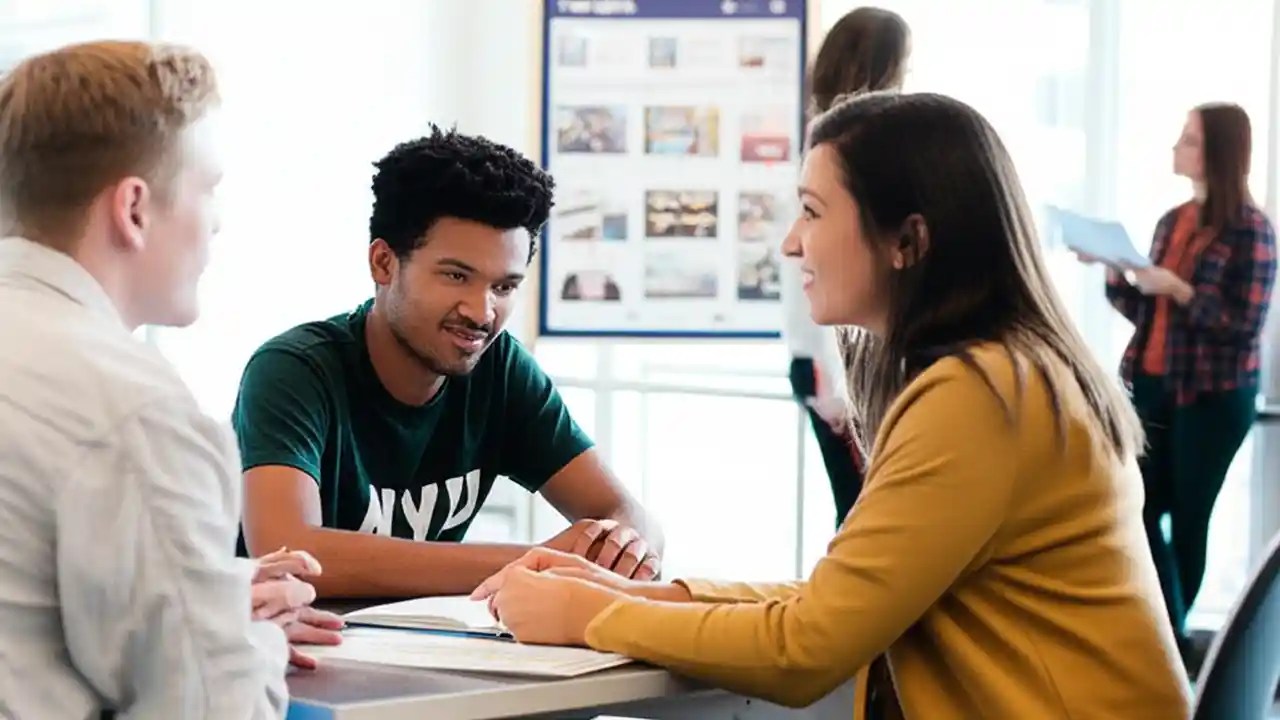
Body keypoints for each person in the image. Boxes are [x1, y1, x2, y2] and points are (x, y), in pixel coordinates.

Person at [473, 92, 1192, 719]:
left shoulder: (980, 394)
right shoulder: (1013, 372)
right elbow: (838, 602)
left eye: (812, 211)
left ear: (907, 240)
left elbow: (807, 648)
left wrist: (590, 615)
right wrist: (638, 598)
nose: (790, 243)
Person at [0, 40, 339, 719]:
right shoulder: (135, 412)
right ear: (134, 208)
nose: (217, 221)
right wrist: (251, 638)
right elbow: (215, 709)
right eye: (207, 188)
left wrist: (210, 589)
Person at [234, 127, 662, 598]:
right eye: (456, 275)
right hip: (275, 657)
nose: (482, 312)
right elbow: (286, 550)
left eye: (504, 287)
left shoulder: (499, 370)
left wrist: (625, 542)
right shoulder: (293, 369)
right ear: (383, 263)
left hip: (423, 651)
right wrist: (533, 561)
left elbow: (627, 516)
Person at [1082, 102, 1276, 658]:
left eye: (1188, 139)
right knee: (1136, 505)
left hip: (1212, 397)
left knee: (1190, 520)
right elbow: (1146, 309)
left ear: (1216, 151)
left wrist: (1180, 289)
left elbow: (1242, 326)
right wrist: (1116, 272)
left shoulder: (1253, 232)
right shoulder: (1173, 220)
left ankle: (1171, 639)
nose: (1176, 147)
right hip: (1153, 383)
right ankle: (1165, 633)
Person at [784, 6, 911, 526]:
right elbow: (807, 271)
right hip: (832, 363)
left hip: (840, 360)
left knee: (870, 515)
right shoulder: (833, 152)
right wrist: (832, 379)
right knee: (863, 516)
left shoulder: (833, 144)